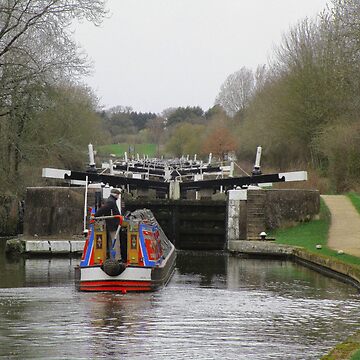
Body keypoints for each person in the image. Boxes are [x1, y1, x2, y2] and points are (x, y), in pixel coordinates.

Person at [95, 188, 122, 260]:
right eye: (118, 195)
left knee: (111, 242)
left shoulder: (110, 200)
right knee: (115, 241)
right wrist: (95, 215)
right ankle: (117, 258)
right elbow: (103, 209)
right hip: (113, 224)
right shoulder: (111, 202)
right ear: (115, 194)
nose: (118, 197)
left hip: (111, 224)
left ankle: (112, 257)